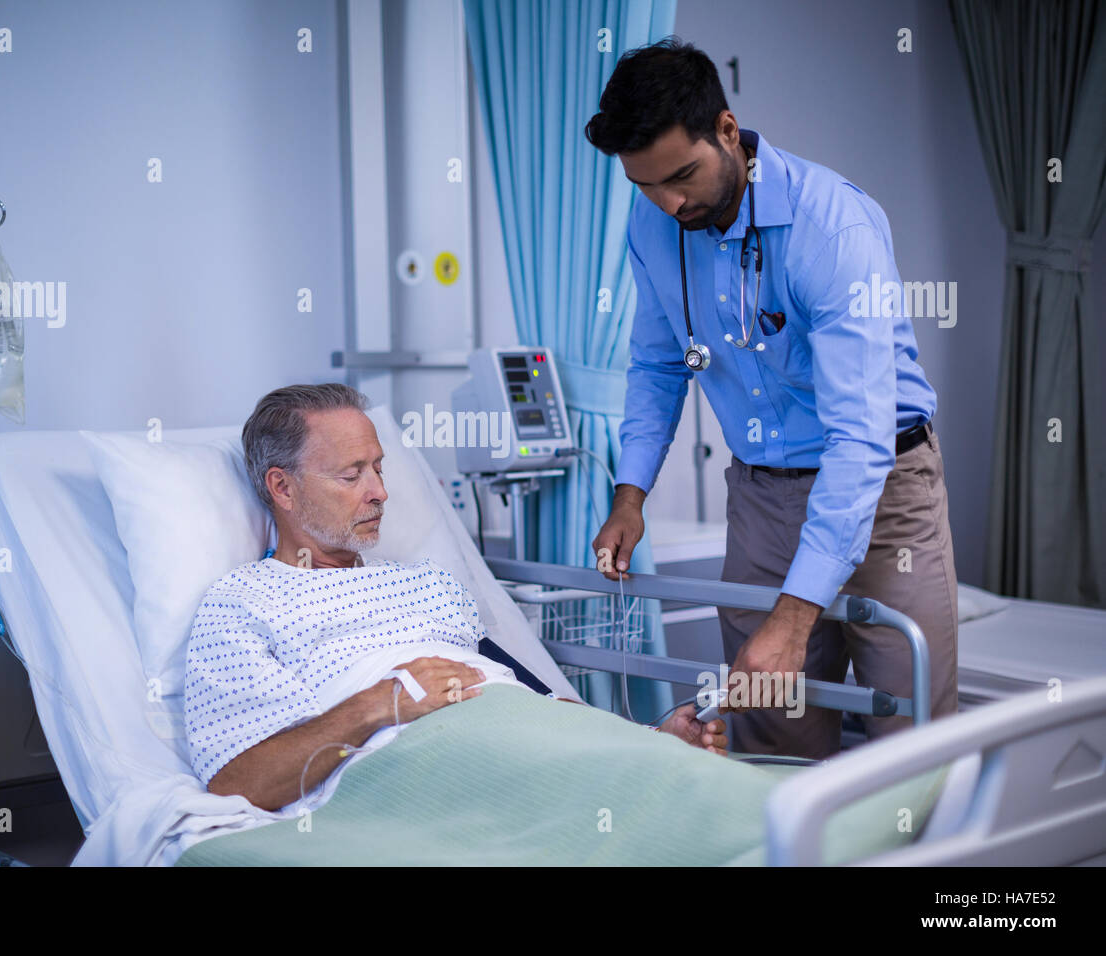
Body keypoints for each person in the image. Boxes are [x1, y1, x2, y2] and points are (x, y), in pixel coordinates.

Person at [586, 37, 958, 759]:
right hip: (761, 499)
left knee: (908, 740)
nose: (670, 203)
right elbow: (659, 364)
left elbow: (858, 437)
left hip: (881, 491)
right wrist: (630, 494)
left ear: (728, 131)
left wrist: (794, 617)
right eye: (646, 187)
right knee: (768, 733)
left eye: (682, 176)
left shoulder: (833, 229)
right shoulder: (654, 224)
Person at [185, 383, 726, 810]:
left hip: (525, 743)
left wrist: (645, 738)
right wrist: (381, 704)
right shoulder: (243, 604)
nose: (380, 491)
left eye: (378, 467)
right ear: (282, 488)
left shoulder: (427, 583)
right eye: (352, 475)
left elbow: (534, 700)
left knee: (704, 795)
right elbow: (235, 783)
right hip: (431, 769)